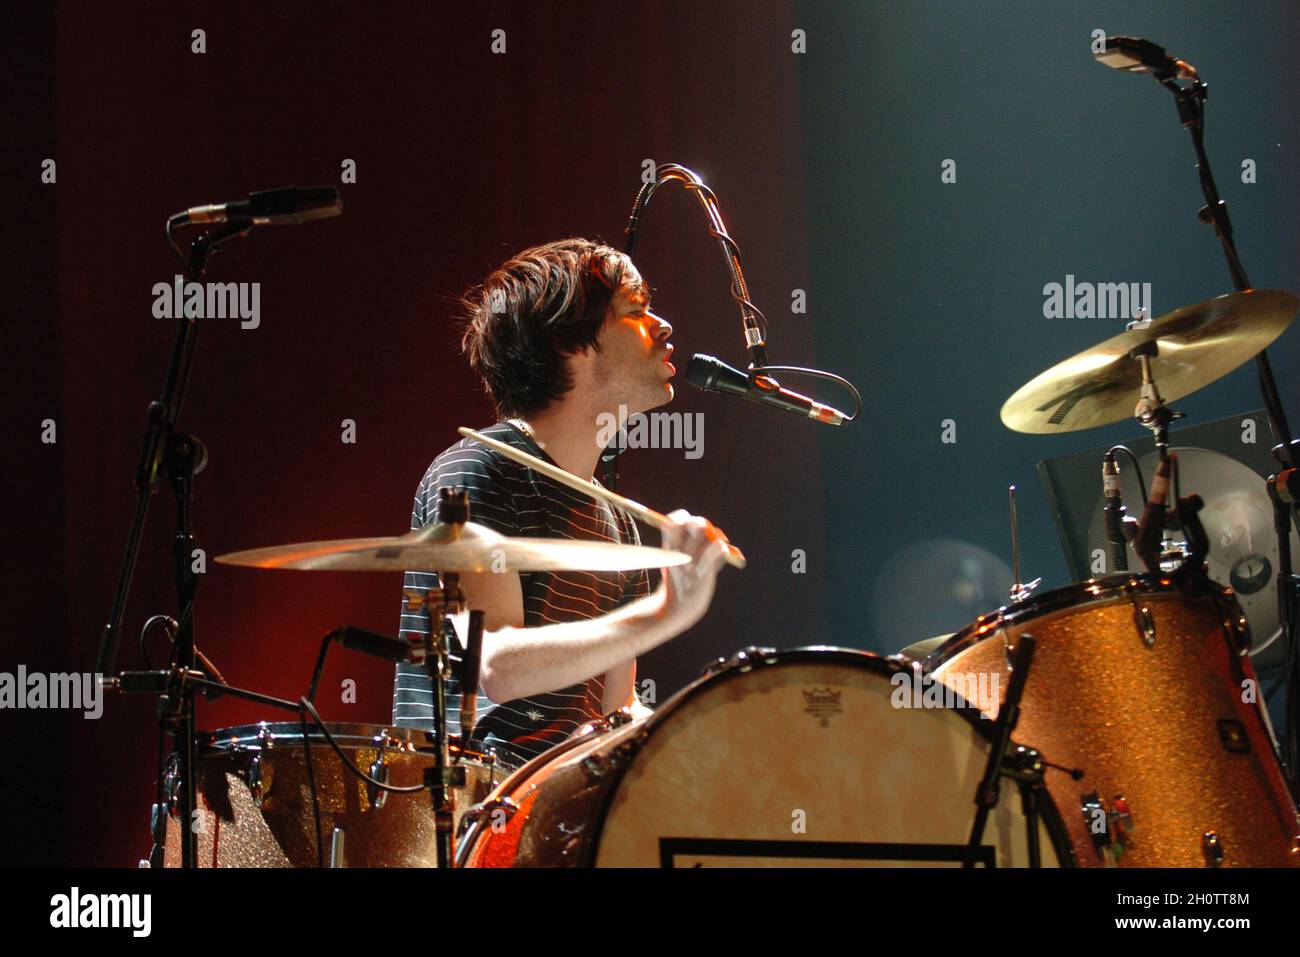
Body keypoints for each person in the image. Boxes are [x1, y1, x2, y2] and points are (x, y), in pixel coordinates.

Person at [392, 237, 730, 768]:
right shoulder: (476, 471)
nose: (662, 325)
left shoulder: (617, 520)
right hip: (468, 814)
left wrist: (710, 733)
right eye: (636, 309)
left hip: (559, 817)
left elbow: (615, 714)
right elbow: (499, 666)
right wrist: (668, 610)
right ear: (570, 341)